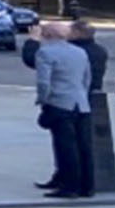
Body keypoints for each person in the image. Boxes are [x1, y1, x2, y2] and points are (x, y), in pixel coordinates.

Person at [34, 22, 95, 198]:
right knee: (84, 146)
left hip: (59, 102)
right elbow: (87, 78)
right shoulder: (80, 51)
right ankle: (87, 186)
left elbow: (44, 82)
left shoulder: (45, 52)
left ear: (48, 35)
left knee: (65, 146)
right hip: (80, 103)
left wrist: (43, 100)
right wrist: (82, 95)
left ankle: (69, 186)